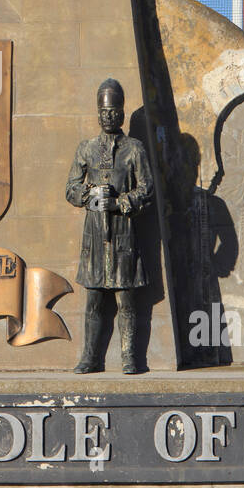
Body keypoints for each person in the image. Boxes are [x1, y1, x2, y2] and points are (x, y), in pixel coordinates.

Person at [65, 78, 154, 374]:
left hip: (123, 234)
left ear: (123, 113)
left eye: (114, 111)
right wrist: (90, 196)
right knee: (93, 300)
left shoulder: (134, 149)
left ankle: (130, 357)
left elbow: (147, 189)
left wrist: (120, 202)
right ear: (97, 113)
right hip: (94, 235)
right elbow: (71, 189)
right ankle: (90, 358)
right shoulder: (86, 148)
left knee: (126, 300)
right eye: (104, 112)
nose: (109, 117)